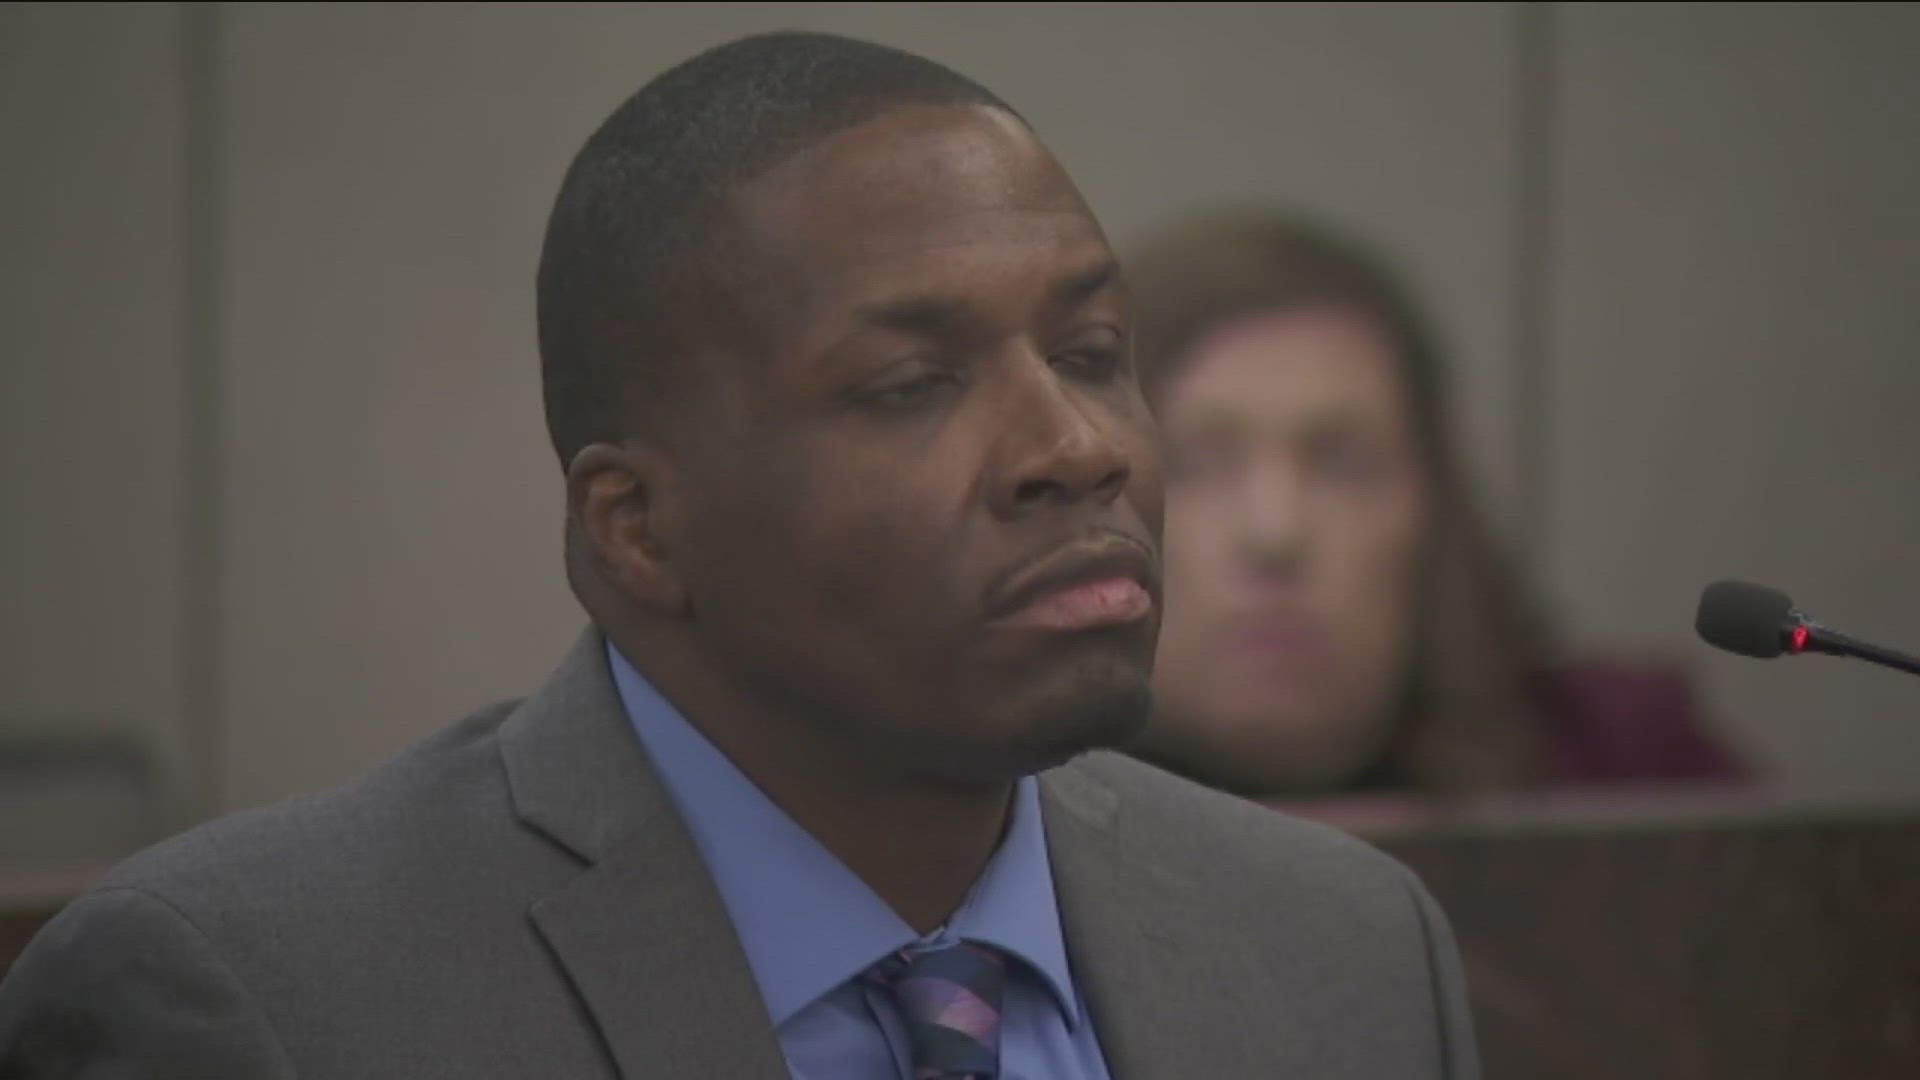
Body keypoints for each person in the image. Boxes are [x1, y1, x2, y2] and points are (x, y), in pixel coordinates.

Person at [0, 36, 1478, 1078]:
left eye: (1092, 351)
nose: (1077, 446)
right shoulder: (260, 1003)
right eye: (913, 384)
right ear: (639, 528)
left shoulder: (1346, 953)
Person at [1125, 208, 1750, 817]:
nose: (1275, 533)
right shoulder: (1057, 813)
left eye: (1343, 465)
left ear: (1431, 507)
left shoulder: (1626, 768)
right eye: (1195, 465)